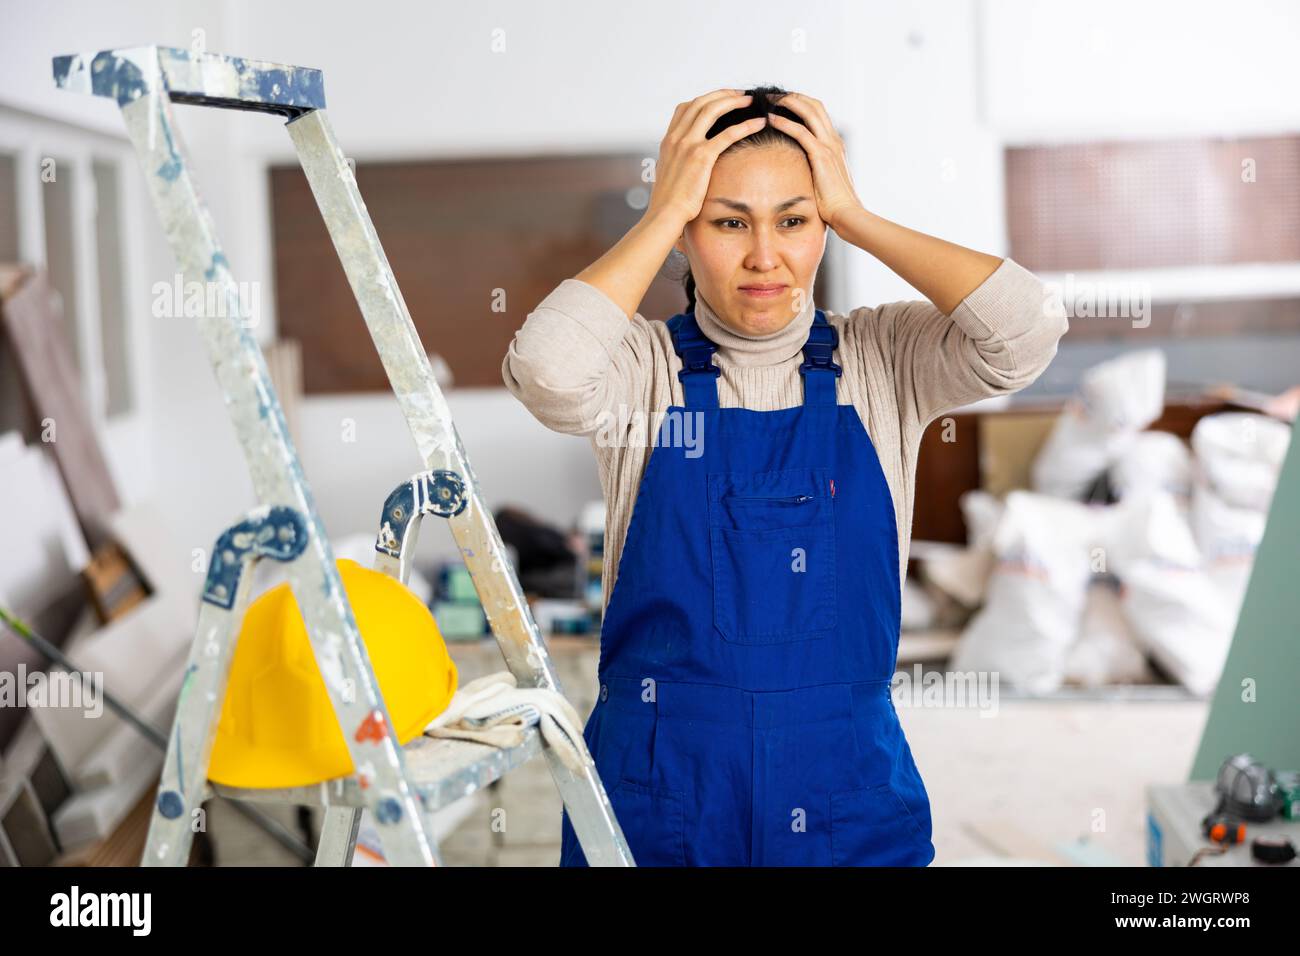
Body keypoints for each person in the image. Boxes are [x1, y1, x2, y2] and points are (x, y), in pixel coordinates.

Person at [502, 85, 1069, 866]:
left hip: (844, 778)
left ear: (824, 225)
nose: (765, 256)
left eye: (795, 220)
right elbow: (546, 373)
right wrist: (661, 212)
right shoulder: (641, 369)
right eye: (728, 220)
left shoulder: (886, 357)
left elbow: (1026, 328)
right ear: (687, 231)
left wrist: (858, 214)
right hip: (663, 784)